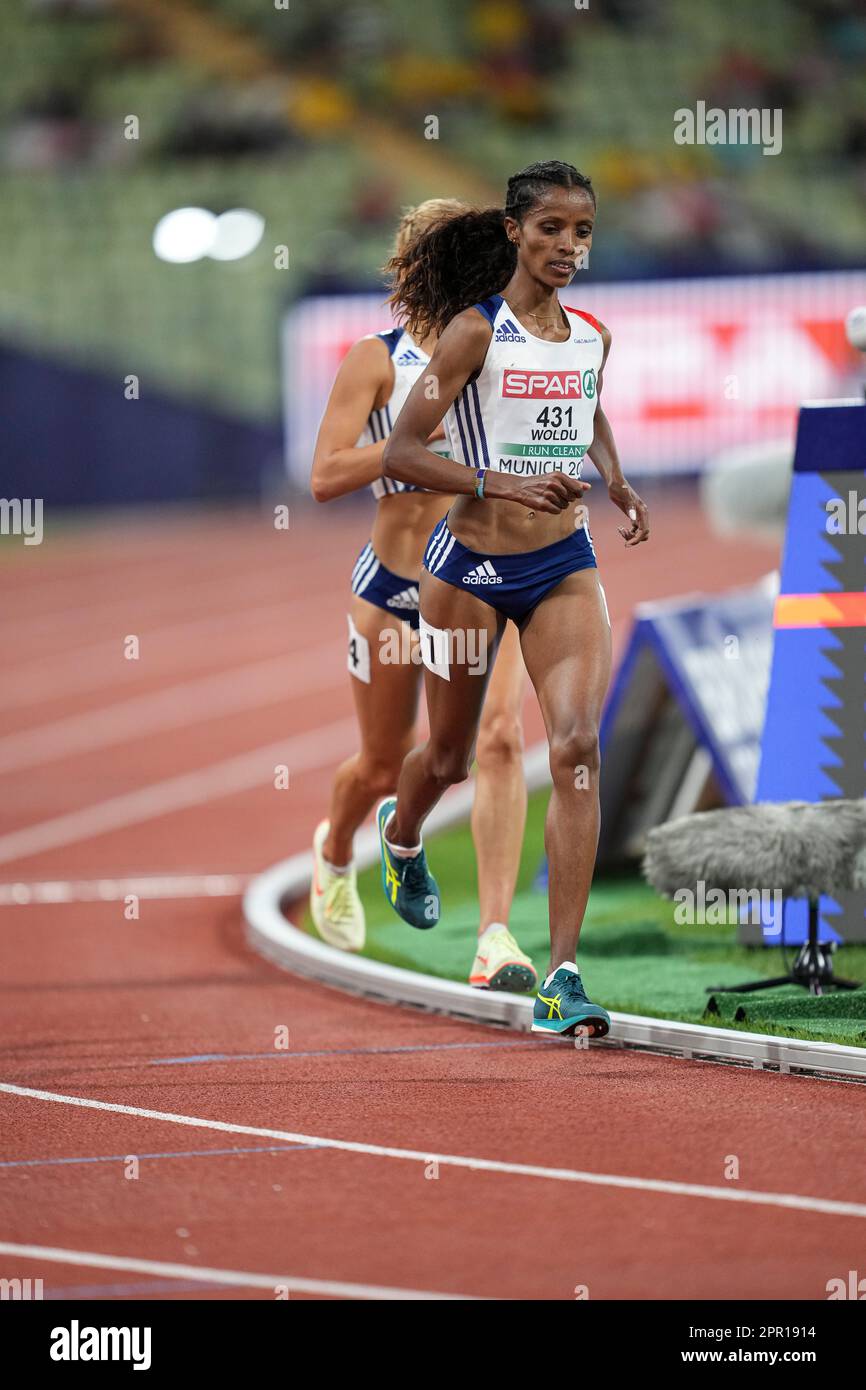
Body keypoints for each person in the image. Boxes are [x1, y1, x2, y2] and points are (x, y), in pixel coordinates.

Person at [376, 162, 650, 1038]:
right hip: (468, 569)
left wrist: (616, 479)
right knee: (450, 757)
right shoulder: (473, 333)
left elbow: (589, 408)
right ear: (514, 233)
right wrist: (500, 481)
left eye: (583, 232)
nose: (568, 246)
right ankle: (402, 836)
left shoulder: (593, 335)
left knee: (576, 748)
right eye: (551, 229)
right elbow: (402, 453)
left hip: (563, 563)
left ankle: (562, 975)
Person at [309, 200, 535, 994]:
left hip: (482, 578)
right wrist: (409, 445)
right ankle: (337, 850)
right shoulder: (379, 359)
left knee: (497, 741)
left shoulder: (504, 348)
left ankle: (495, 938)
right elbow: (324, 476)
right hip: (396, 589)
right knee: (382, 762)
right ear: (420, 269)